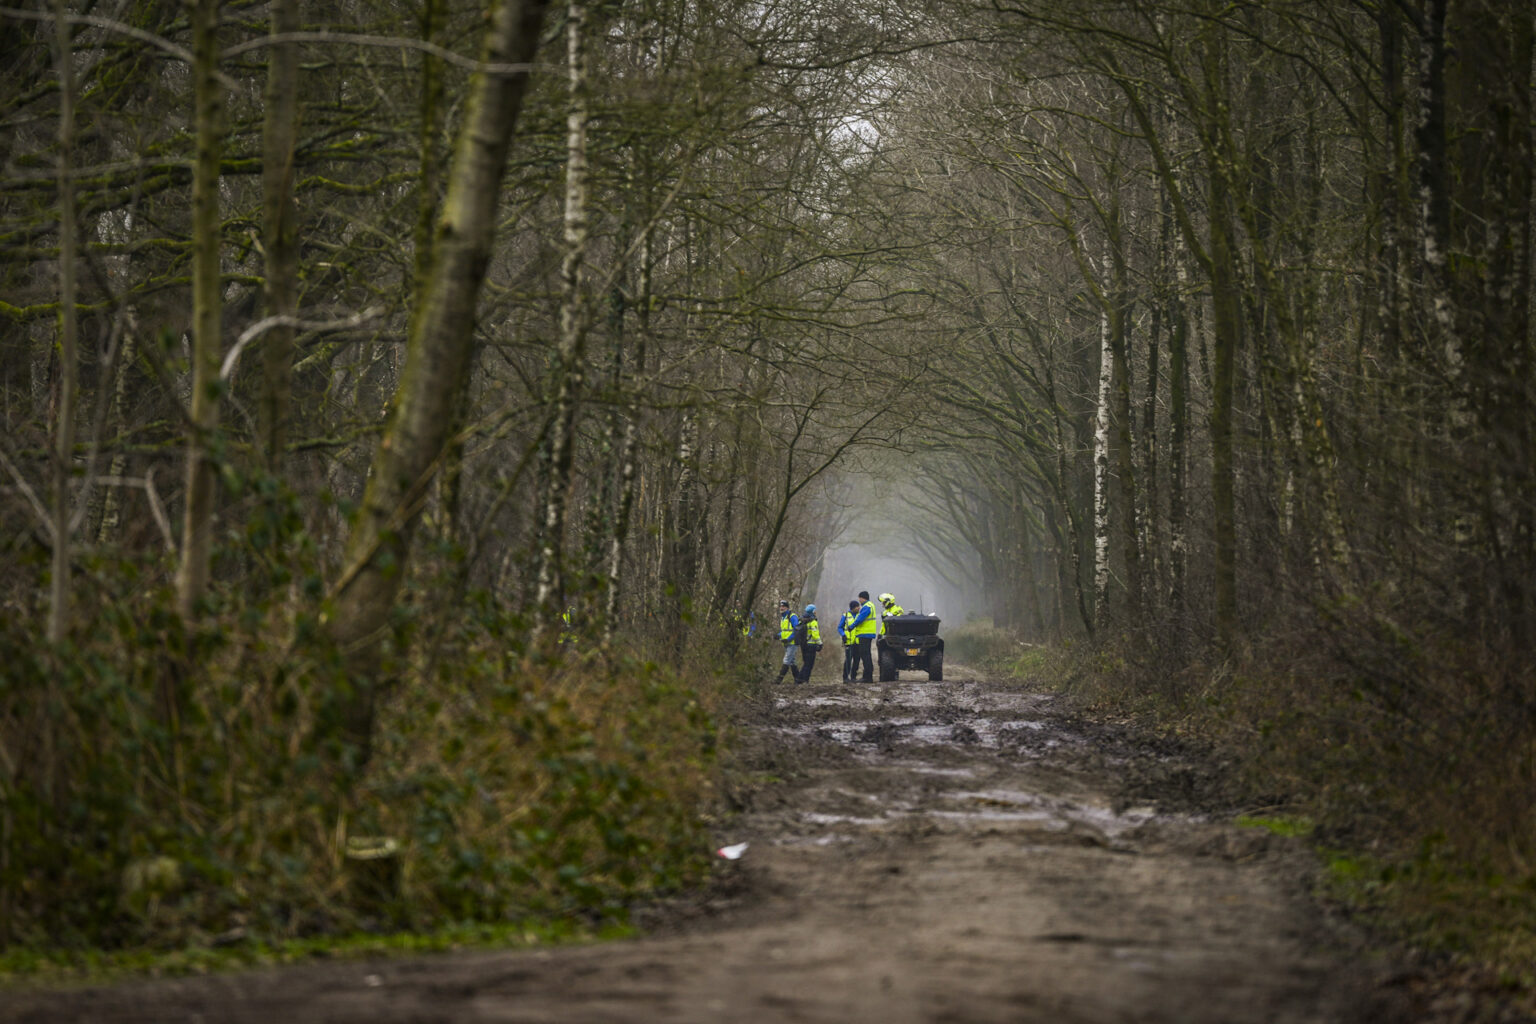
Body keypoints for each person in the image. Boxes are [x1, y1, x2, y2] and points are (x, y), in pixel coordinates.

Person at [848, 590, 877, 683]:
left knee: (865, 656)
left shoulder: (866, 607)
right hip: (867, 634)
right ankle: (868, 676)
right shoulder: (870, 605)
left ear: (862, 598)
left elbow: (860, 618)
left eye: (859, 598)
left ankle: (867, 677)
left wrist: (851, 626)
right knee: (867, 655)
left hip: (865, 634)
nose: (859, 600)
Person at [775, 600, 801, 684]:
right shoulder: (783, 618)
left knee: (786, 660)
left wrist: (789, 639)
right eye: (781, 606)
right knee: (792, 661)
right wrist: (778, 635)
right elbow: (784, 631)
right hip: (786, 643)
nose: (782, 608)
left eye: (784, 607)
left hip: (792, 643)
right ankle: (798, 679)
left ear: (787, 608)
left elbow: (796, 630)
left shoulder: (792, 616)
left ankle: (778, 680)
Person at [796, 604, 822, 683]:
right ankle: (804, 680)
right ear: (813, 611)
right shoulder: (813, 621)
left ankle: (800, 679)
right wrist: (820, 643)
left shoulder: (802, 620)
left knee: (806, 663)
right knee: (809, 664)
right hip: (811, 644)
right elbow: (815, 634)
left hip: (803, 644)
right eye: (815, 611)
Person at [837, 600, 859, 683]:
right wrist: (843, 635)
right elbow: (840, 627)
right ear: (853, 608)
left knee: (857, 660)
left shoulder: (860, 615)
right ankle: (845, 678)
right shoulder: (845, 615)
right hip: (848, 641)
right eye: (857, 607)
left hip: (857, 642)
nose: (859, 608)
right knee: (848, 660)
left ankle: (854, 677)